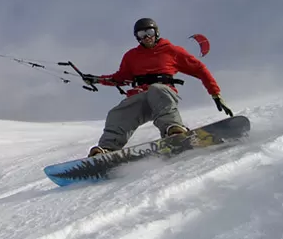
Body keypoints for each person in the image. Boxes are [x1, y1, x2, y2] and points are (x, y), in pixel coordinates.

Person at [87, 17, 233, 157]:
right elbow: (120, 78)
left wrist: (215, 93)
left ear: (156, 32)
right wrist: (97, 80)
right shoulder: (131, 56)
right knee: (117, 112)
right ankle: (107, 149)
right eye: (141, 34)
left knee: (157, 89)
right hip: (140, 97)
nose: (146, 37)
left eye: (149, 33)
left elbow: (200, 69)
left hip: (162, 95)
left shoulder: (172, 51)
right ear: (137, 37)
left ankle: (173, 130)